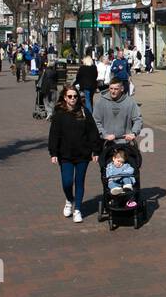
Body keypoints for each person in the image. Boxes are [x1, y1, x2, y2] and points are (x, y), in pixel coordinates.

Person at [48, 85, 101, 223]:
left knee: (79, 181)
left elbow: (92, 131)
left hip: (83, 153)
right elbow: (54, 134)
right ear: (65, 98)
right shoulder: (59, 114)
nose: (73, 99)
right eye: (70, 96)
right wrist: (53, 152)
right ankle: (69, 200)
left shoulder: (84, 112)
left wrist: (96, 150)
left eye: (75, 96)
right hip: (65, 154)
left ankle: (77, 209)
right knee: (67, 182)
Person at [93, 79, 144, 144]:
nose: (113, 91)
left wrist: (134, 133)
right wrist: (104, 134)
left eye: (116, 89)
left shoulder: (130, 102)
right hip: (106, 141)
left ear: (122, 89)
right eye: (111, 88)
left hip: (125, 142)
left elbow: (138, 119)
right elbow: (95, 121)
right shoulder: (100, 102)